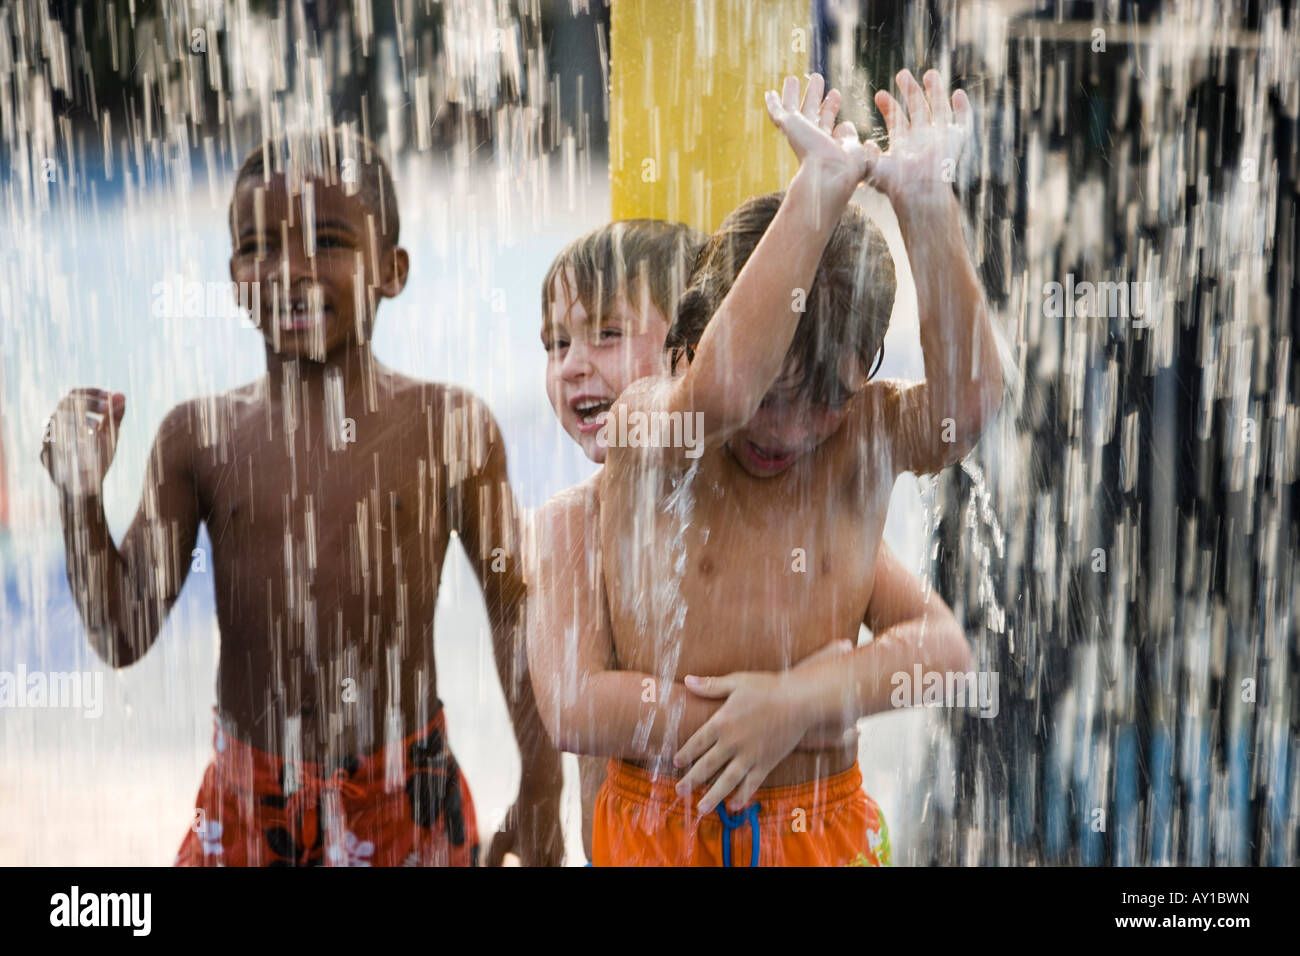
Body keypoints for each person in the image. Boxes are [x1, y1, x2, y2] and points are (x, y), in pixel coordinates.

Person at [40, 128, 563, 866]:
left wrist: (542, 791)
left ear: (392, 269)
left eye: (329, 239)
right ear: (233, 277)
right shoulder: (199, 439)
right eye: (260, 247)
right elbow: (121, 635)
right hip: (246, 804)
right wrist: (79, 500)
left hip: (403, 799)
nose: (289, 270)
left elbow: (517, 615)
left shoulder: (449, 429)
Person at [530, 70, 1003, 866]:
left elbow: (964, 421)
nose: (787, 429)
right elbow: (725, 387)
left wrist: (927, 209)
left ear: (863, 377)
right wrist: (816, 192)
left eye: (824, 400)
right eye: (771, 397)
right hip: (667, 833)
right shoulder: (653, 426)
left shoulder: (860, 436)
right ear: (696, 342)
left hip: (827, 827)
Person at [536, 218, 705, 860]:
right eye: (555, 344)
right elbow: (574, 707)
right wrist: (768, 717)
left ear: (691, 348)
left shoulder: (767, 494)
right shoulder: (574, 525)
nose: (573, 365)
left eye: (606, 334)